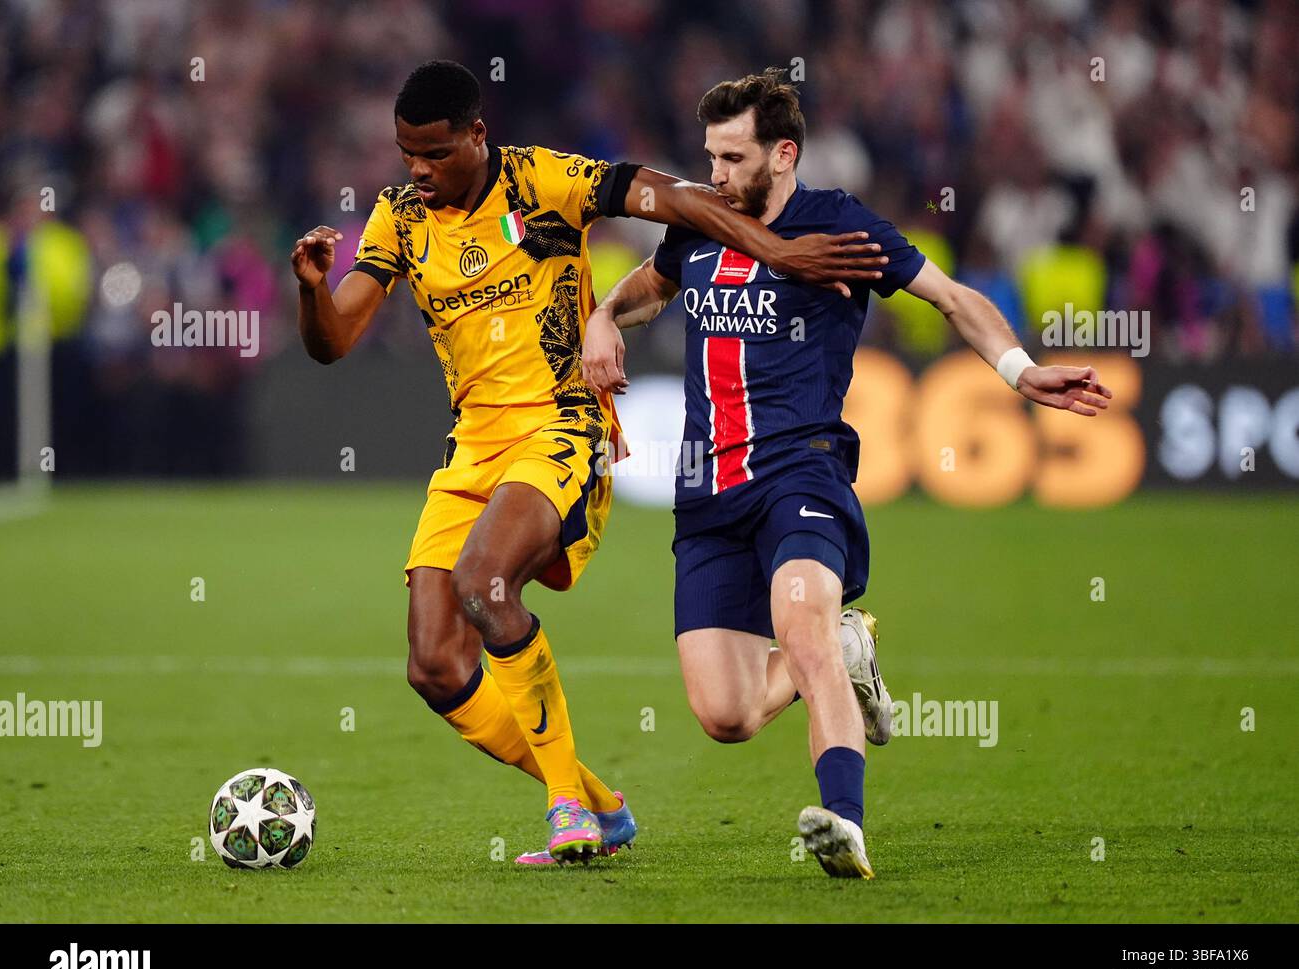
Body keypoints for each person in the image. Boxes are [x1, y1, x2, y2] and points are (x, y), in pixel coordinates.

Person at [290, 60, 890, 864]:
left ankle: (564, 804)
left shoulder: (542, 179)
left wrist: (779, 252)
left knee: (483, 584)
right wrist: (309, 291)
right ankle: (602, 806)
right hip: (472, 447)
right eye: (407, 155)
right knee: (434, 664)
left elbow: (676, 198)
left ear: (477, 134)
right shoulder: (399, 217)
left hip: (562, 429)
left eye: (433, 154)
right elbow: (332, 343)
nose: (418, 171)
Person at [582, 69, 1112, 878]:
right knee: (724, 715)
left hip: (803, 472)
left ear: (783, 154)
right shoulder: (701, 225)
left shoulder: (840, 225)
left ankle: (843, 820)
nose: (715, 175)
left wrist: (1020, 369)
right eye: (710, 157)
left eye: (732, 157)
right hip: (710, 495)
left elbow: (949, 295)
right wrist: (601, 318)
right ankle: (848, 641)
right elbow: (646, 290)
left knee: (797, 626)